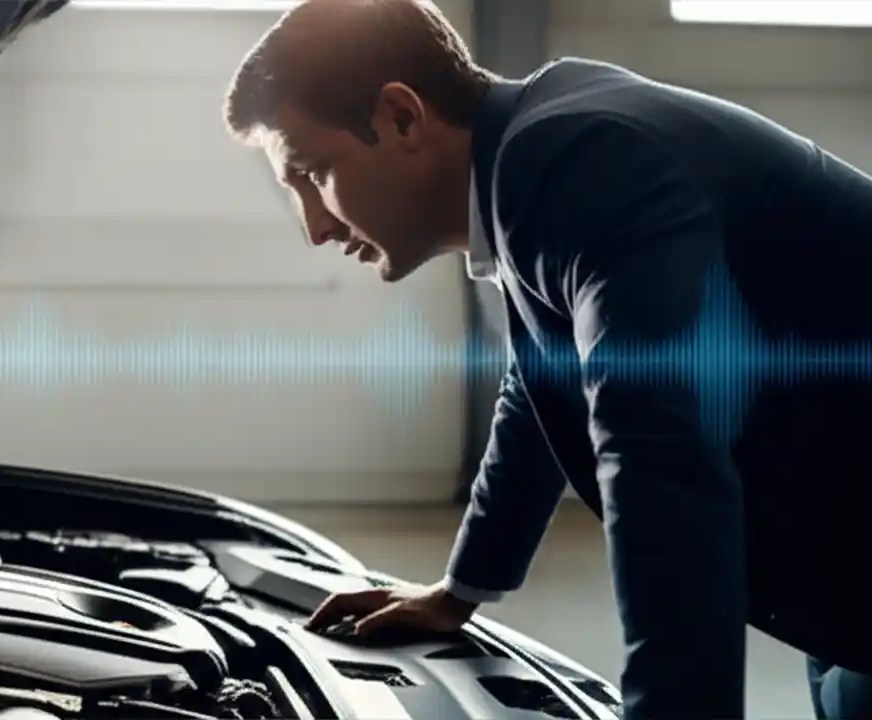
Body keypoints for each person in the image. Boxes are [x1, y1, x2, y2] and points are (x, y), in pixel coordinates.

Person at [219, 1, 872, 718]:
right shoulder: (539, 150)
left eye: (314, 173)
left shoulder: (582, 164)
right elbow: (544, 383)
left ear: (402, 117)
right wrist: (461, 590)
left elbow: (661, 464)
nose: (313, 227)